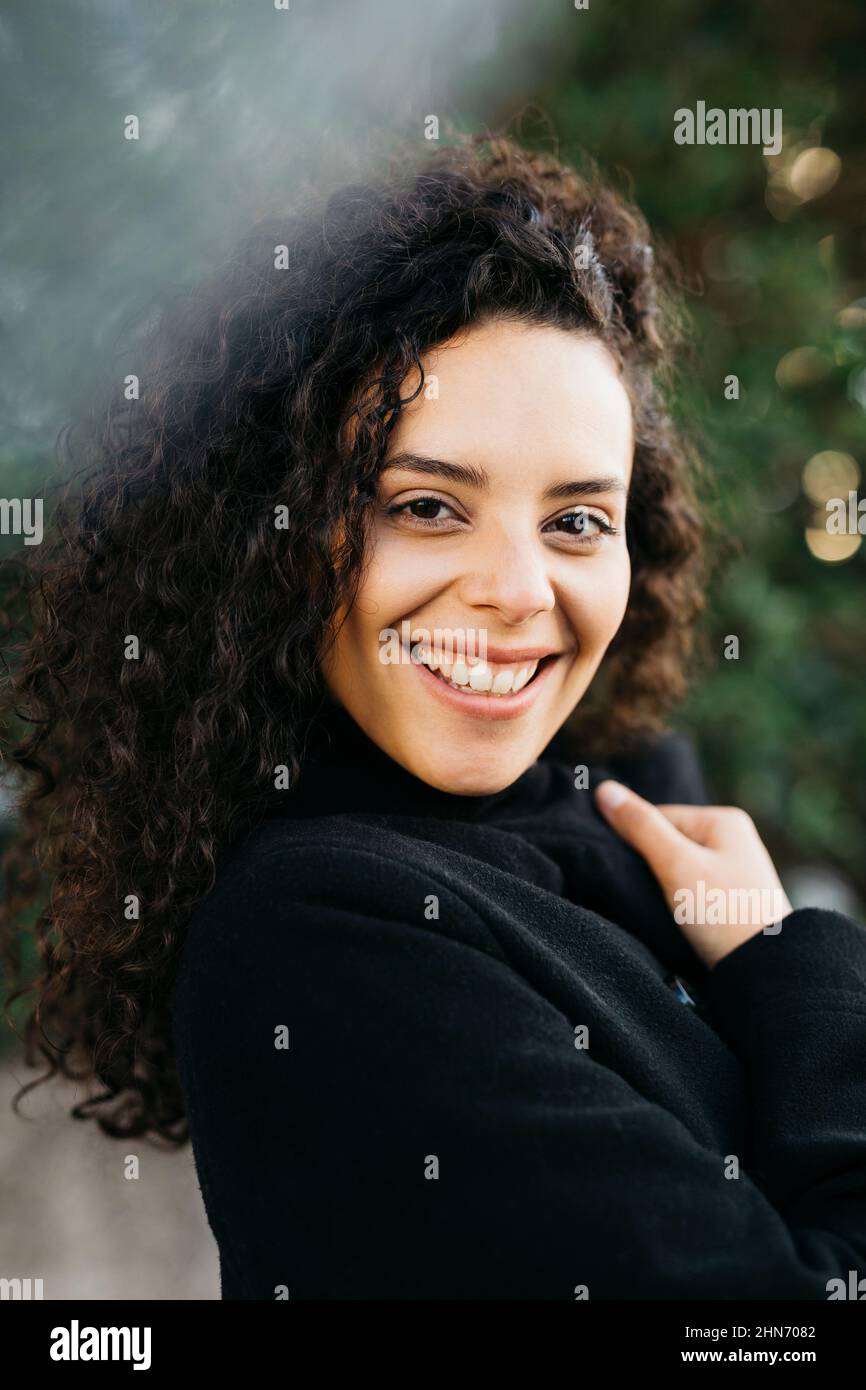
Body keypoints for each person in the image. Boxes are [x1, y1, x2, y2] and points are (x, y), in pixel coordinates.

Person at [3, 135, 865, 1300]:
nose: (517, 591)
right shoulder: (321, 935)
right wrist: (787, 963)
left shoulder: (627, 794)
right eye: (424, 504)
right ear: (273, 540)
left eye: (574, 521)